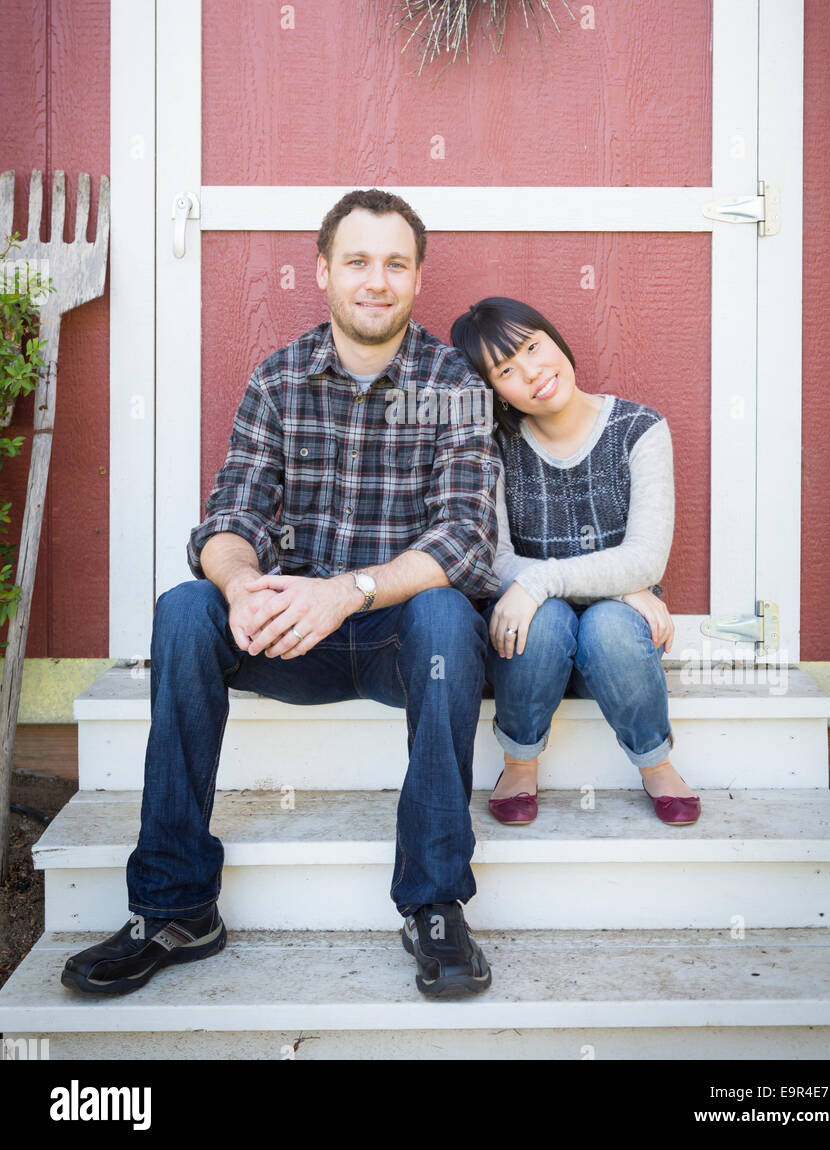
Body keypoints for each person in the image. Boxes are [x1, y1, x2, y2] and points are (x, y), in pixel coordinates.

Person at [61, 190, 503, 1001]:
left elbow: (463, 540)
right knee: (185, 608)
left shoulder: (452, 384)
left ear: (416, 277)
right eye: (358, 261)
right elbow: (230, 518)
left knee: (446, 613)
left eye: (395, 264)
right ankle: (175, 906)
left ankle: (434, 903)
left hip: (391, 640)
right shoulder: (278, 378)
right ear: (324, 271)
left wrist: (346, 593)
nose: (376, 281)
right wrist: (236, 583)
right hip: (286, 638)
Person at [449, 296, 700, 827]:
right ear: (495, 392)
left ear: (555, 338)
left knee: (608, 625)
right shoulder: (493, 447)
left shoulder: (640, 429)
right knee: (545, 617)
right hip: (531, 649)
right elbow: (492, 561)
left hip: (620, 648)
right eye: (507, 370)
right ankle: (519, 763)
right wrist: (613, 582)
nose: (533, 372)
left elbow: (647, 559)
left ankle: (655, 764)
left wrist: (545, 579)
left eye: (533, 347)